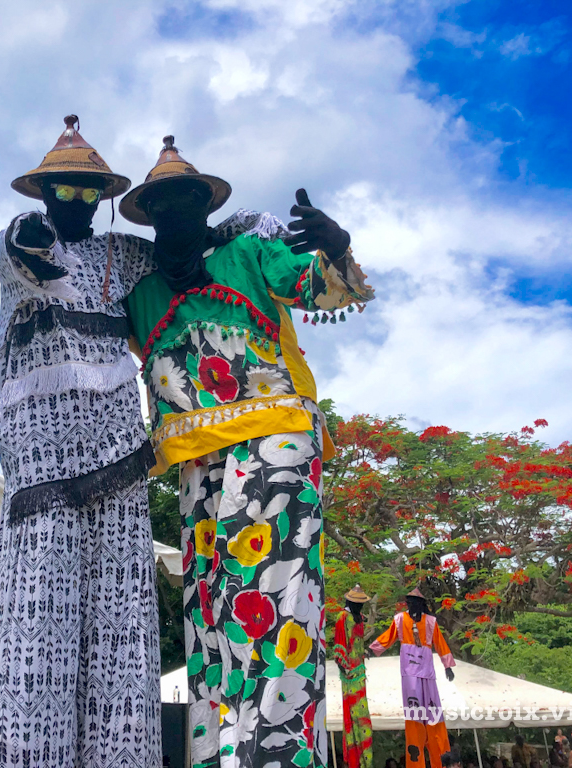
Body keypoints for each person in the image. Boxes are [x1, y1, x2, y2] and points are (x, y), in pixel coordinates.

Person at [122, 136, 374, 768]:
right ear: (150, 221)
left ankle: (282, 759)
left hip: (276, 448)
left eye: (186, 204)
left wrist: (336, 242)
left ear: (205, 211)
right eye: (163, 210)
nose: (175, 218)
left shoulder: (249, 254)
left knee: (280, 607)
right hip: (196, 468)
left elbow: (327, 287)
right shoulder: (142, 294)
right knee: (210, 620)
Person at [0, 115, 163, 768]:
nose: (76, 201)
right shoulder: (16, 249)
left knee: (119, 625)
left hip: (118, 458)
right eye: (65, 189)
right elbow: (11, 248)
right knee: (37, 627)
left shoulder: (126, 255)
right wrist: (27, 239)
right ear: (43, 191)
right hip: (43, 465)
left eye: (88, 191)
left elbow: (183, 265)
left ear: (104, 195)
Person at [369, 588, 457, 768]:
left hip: (427, 672)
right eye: (409, 602)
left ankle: (441, 759)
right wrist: (372, 649)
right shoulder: (400, 619)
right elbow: (389, 636)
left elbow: (440, 642)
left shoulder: (430, 621)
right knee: (414, 715)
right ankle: (416, 763)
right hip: (409, 673)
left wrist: (447, 665)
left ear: (421, 604)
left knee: (433, 714)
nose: (412, 605)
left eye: (415, 602)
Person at [332, 585, 375, 768]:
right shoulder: (342, 617)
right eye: (358, 604)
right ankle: (357, 761)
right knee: (355, 717)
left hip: (360, 672)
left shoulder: (359, 619)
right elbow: (340, 645)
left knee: (364, 719)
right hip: (350, 676)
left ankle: (367, 760)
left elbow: (357, 642)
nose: (361, 607)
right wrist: (346, 667)